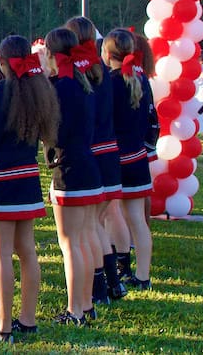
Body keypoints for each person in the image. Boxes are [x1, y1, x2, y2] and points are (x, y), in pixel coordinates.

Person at [0, 35, 57, 344]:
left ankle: (4, 327)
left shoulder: (6, 90)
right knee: (27, 251)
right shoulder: (39, 86)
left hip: (3, 178)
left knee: (2, 255)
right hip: (28, 176)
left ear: (4, 62)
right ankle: (28, 320)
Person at [66, 17, 129, 304]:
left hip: (92, 153)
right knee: (98, 224)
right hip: (109, 151)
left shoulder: (79, 71)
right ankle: (112, 284)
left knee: (90, 226)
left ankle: (100, 287)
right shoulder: (99, 67)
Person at [45, 28, 104, 326]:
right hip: (88, 166)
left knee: (70, 244)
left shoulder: (63, 86)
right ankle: (87, 303)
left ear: (51, 54)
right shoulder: (83, 82)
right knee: (84, 239)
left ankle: (75, 310)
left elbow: (56, 133)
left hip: (69, 170)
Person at [102, 29, 154, 292]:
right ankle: (143, 277)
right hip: (138, 156)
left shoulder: (109, 83)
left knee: (111, 216)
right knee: (137, 218)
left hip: (114, 158)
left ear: (107, 53)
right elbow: (151, 118)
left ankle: (120, 266)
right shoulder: (141, 78)